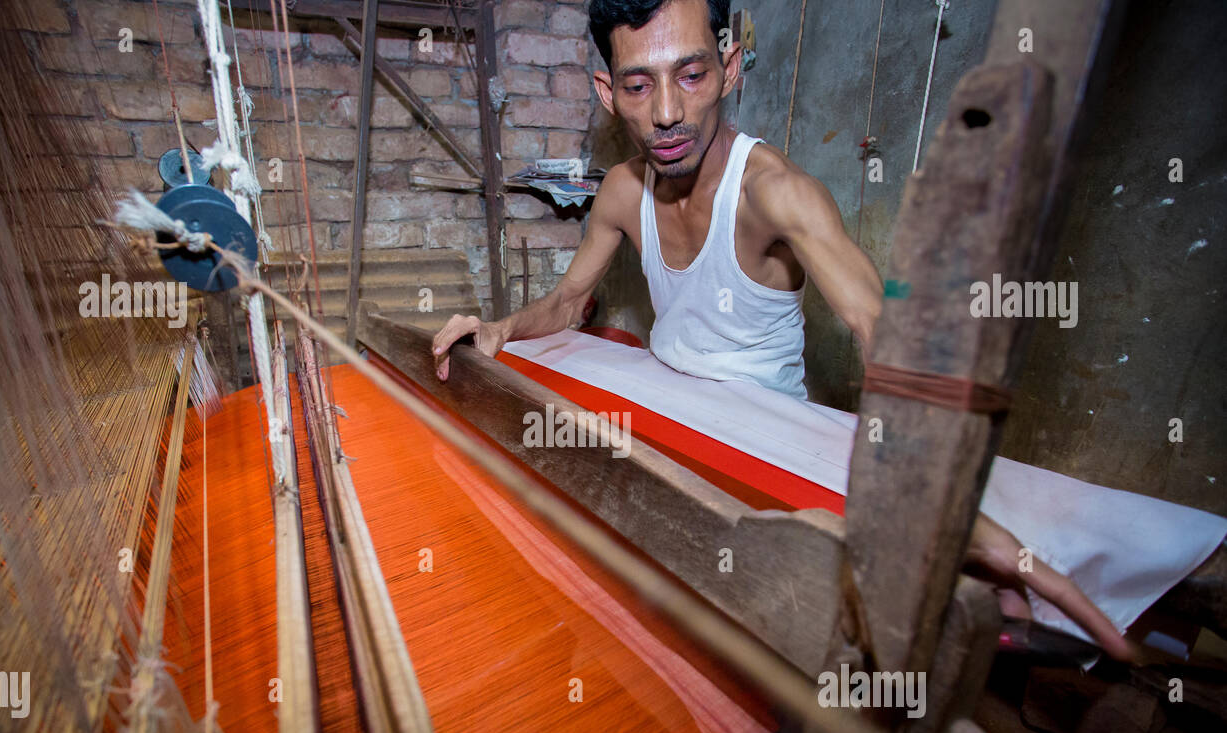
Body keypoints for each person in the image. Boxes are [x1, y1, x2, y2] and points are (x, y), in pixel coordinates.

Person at [431, 0, 1129, 658]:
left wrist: (937, 495)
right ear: (608, 93)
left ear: (730, 68)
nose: (669, 112)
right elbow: (568, 302)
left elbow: (876, 324)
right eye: (640, 86)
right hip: (667, 409)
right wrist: (500, 329)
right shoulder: (621, 190)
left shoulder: (776, 193)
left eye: (693, 74)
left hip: (765, 446)